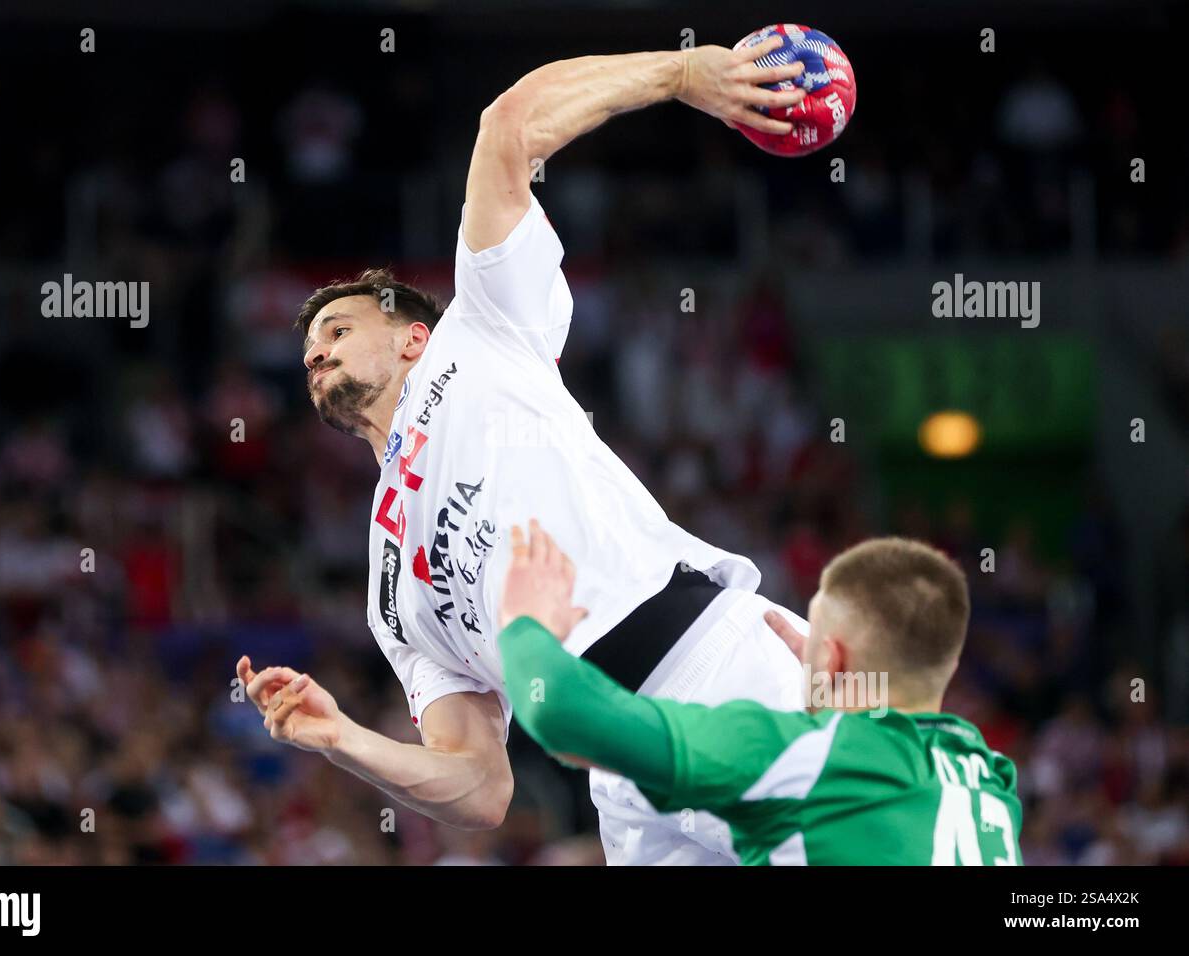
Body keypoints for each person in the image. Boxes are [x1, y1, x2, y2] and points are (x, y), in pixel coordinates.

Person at [239, 36, 814, 864]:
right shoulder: (390, 588)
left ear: (411, 337)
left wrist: (685, 74)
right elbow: (480, 787)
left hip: (715, 672)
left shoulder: (482, 330)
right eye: (306, 349)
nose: (314, 352)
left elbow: (508, 128)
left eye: (339, 327)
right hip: (620, 779)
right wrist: (344, 740)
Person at [484, 520, 1023, 865]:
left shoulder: (799, 757)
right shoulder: (988, 777)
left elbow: (561, 714)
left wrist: (521, 622)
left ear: (830, 659)